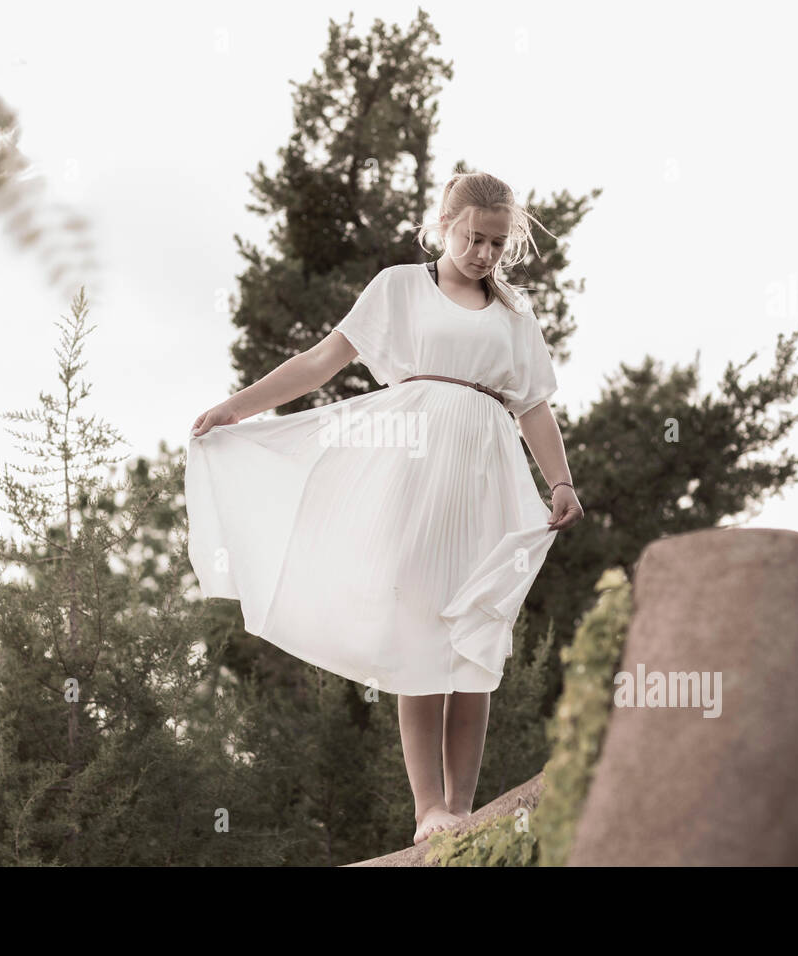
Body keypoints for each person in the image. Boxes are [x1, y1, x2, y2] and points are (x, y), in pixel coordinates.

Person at [186, 171, 584, 846]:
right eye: (471, 237)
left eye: (495, 243)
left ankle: (464, 804)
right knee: (420, 630)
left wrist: (562, 483)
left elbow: (535, 405)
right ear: (444, 224)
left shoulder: (515, 316)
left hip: (487, 479)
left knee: (475, 639)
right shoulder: (400, 287)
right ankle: (429, 807)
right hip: (413, 473)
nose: (483, 253)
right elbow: (321, 361)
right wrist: (236, 406)